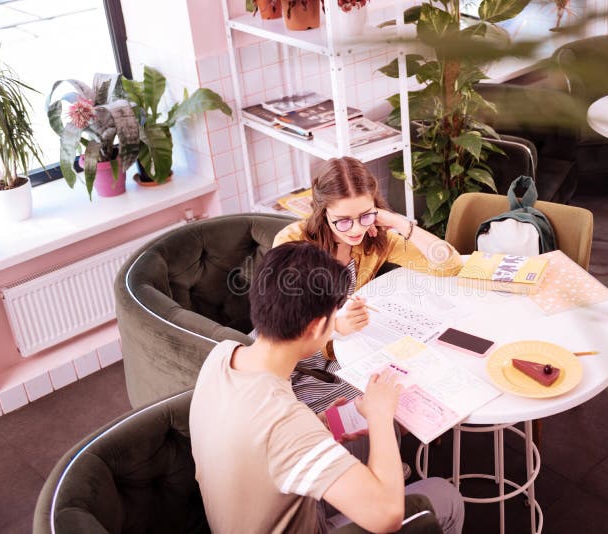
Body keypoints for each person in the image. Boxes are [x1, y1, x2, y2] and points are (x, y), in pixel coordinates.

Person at [190, 242, 464, 533]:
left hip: (243, 510)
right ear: (316, 327)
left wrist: (321, 424)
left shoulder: (222, 354)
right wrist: (381, 416)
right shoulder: (285, 422)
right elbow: (388, 515)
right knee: (445, 496)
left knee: (368, 433)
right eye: (336, 317)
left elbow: (261, 442)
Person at [274, 157, 464, 413]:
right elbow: (284, 319)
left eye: (365, 215)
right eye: (343, 220)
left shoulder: (375, 241)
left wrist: (399, 222)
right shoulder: (292, 240)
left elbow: (449, 265)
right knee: (328, 415)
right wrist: (337, 325)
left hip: (341, 354)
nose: (355, 230)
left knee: (397, 392)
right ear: (322, 212)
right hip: (290, 357)